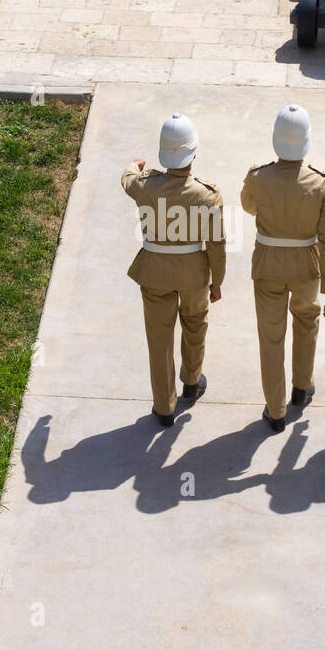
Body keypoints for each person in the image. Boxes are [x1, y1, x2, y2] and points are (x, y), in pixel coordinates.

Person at [122, 112, 225, 428]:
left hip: (155, 272)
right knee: (195, 324)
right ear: (194, 153)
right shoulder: (208, 194)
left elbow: (126, 180)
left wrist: (134, 164)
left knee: (159, 337)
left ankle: (164, 406)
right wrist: (217, 281)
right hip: (193, 272)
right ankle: (191, 381)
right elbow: (217, 244)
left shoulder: (145, 187)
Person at [240, 104, 325, 433]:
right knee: (306, 325)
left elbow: (249, 206)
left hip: (268, 263)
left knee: (271, 337)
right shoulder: (322, 184)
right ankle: (302, 386)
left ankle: (276, 409)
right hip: (307, 267)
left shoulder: (258, 177)